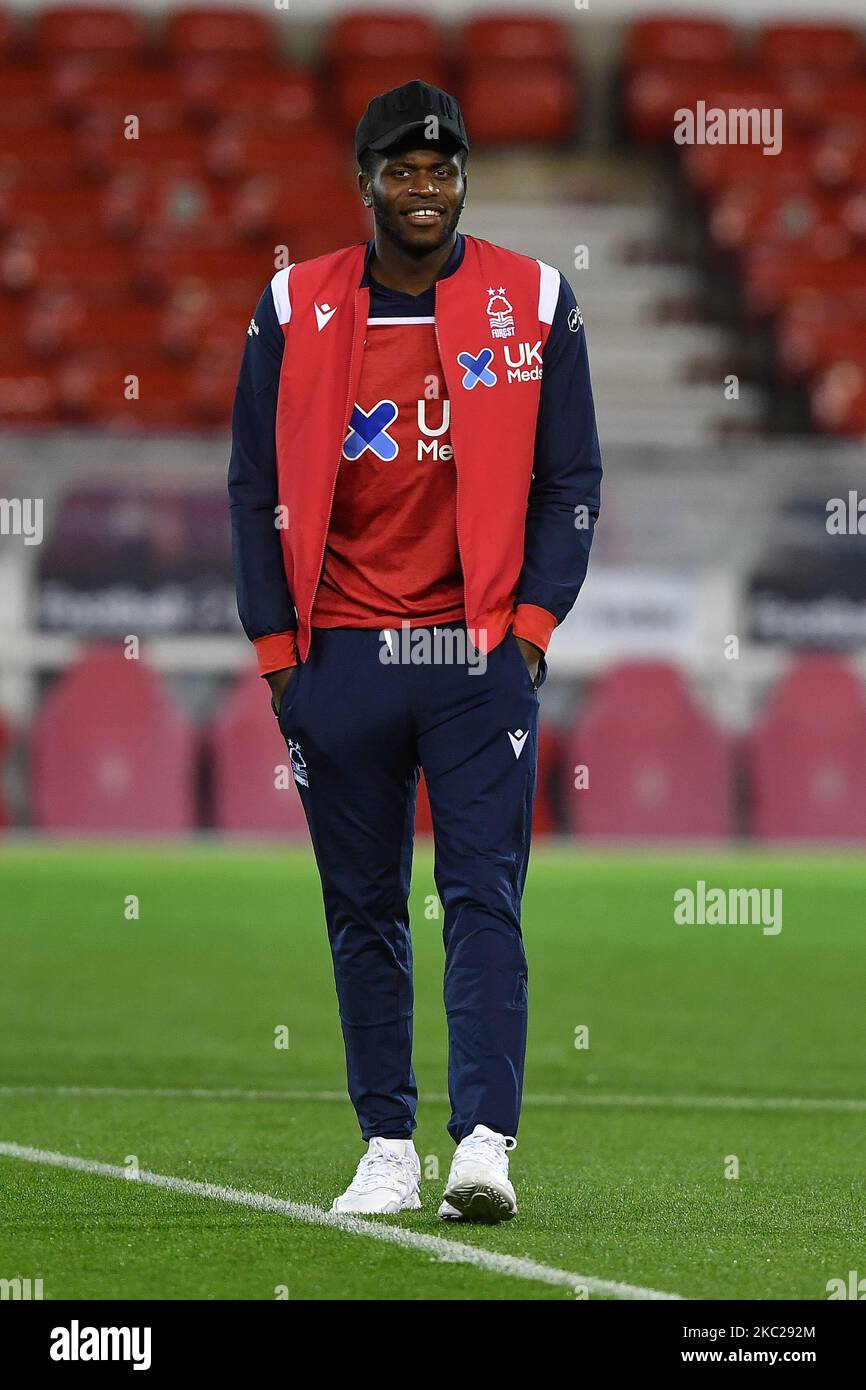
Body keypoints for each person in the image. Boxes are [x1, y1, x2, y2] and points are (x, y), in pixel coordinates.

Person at [228, 79, 602, 1222]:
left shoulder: (532, 300)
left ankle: (482, 1142)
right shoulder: (293, 306)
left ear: (459, 179)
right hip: (339, 653)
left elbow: (570, 480)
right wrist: (280, 660)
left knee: (483, 894)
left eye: (442, 170)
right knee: (362, 906)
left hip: (471, 654)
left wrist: (528, 634)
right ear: (366, 184)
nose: (425, 189)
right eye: (402, 171)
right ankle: (385, 1144)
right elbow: (252, 490)